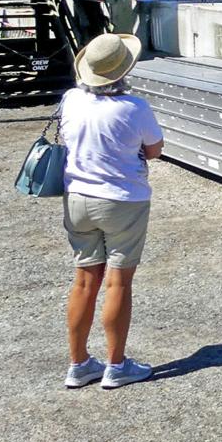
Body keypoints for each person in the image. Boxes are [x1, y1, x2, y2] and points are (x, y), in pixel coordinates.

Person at [60, 33, 164, 390]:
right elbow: (154, 150)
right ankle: (117, 366)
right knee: (118, 281)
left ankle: (78, 364)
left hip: (78, 198)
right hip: (123, 200)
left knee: (84, 281)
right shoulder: (135, 107)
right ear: (124, 70)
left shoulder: (71, 99)